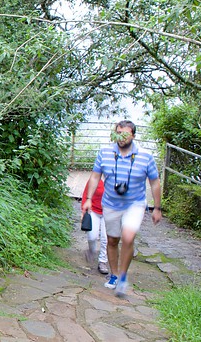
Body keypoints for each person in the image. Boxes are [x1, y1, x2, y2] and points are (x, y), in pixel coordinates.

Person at [82, 120, 161, 298]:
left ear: (133, 135)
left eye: (125, 134)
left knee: (128, 237)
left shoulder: (145, 156)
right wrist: (88, 199)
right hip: (110, 203)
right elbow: (95, 177)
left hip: (135, 204)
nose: (121, 137)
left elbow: (154, 182)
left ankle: (123, 277)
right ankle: (114, 274)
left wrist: (157, 207)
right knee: (112, 240)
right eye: (118, 133)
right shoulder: (105, 153)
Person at [81, 177, 109, 275]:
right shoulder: (95, 178)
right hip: (93, 210)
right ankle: (91, 250)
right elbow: (86, 194)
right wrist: (83, 211)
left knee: (106, 238)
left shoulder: (115, 177)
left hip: (109, 212)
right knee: (92, 236)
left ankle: (103, 261)